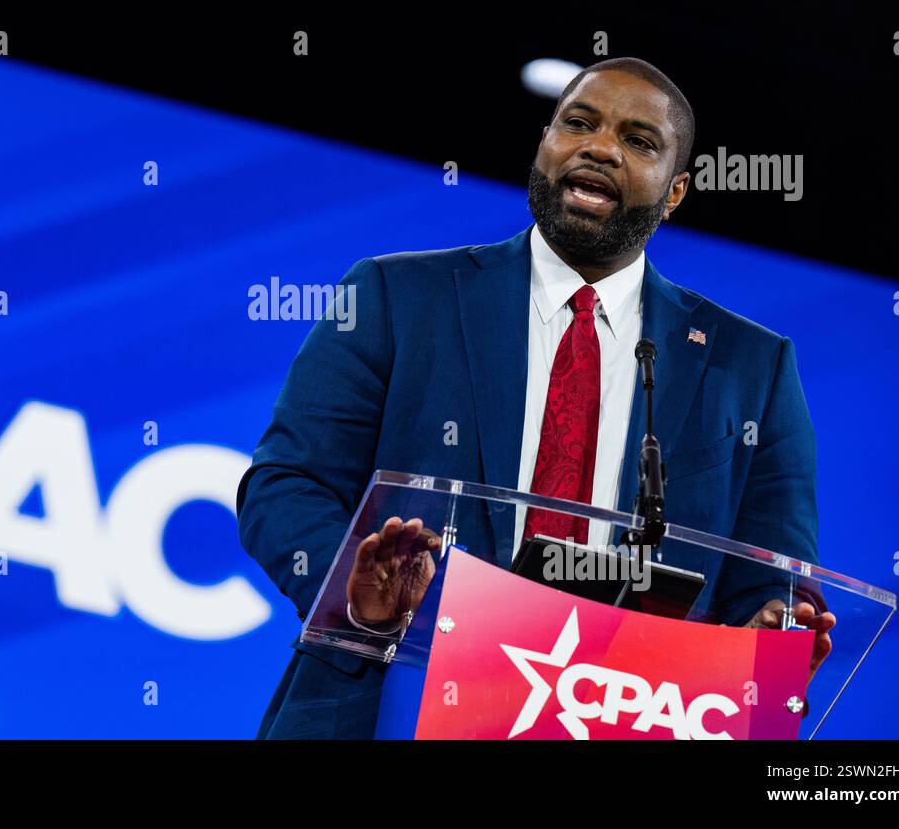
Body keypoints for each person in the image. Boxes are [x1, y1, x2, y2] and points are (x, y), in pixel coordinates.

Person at [237, 57, 833, 740]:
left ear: (674, 193)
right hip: (388, 701)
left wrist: (768, 640)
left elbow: (770, 579)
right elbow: (285, 485)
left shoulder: (750, 366)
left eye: (639, 142)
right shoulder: (396, 298)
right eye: (578, 123)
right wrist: (361, 596)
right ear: (544, 144)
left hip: (621, 717)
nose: (600, 146)